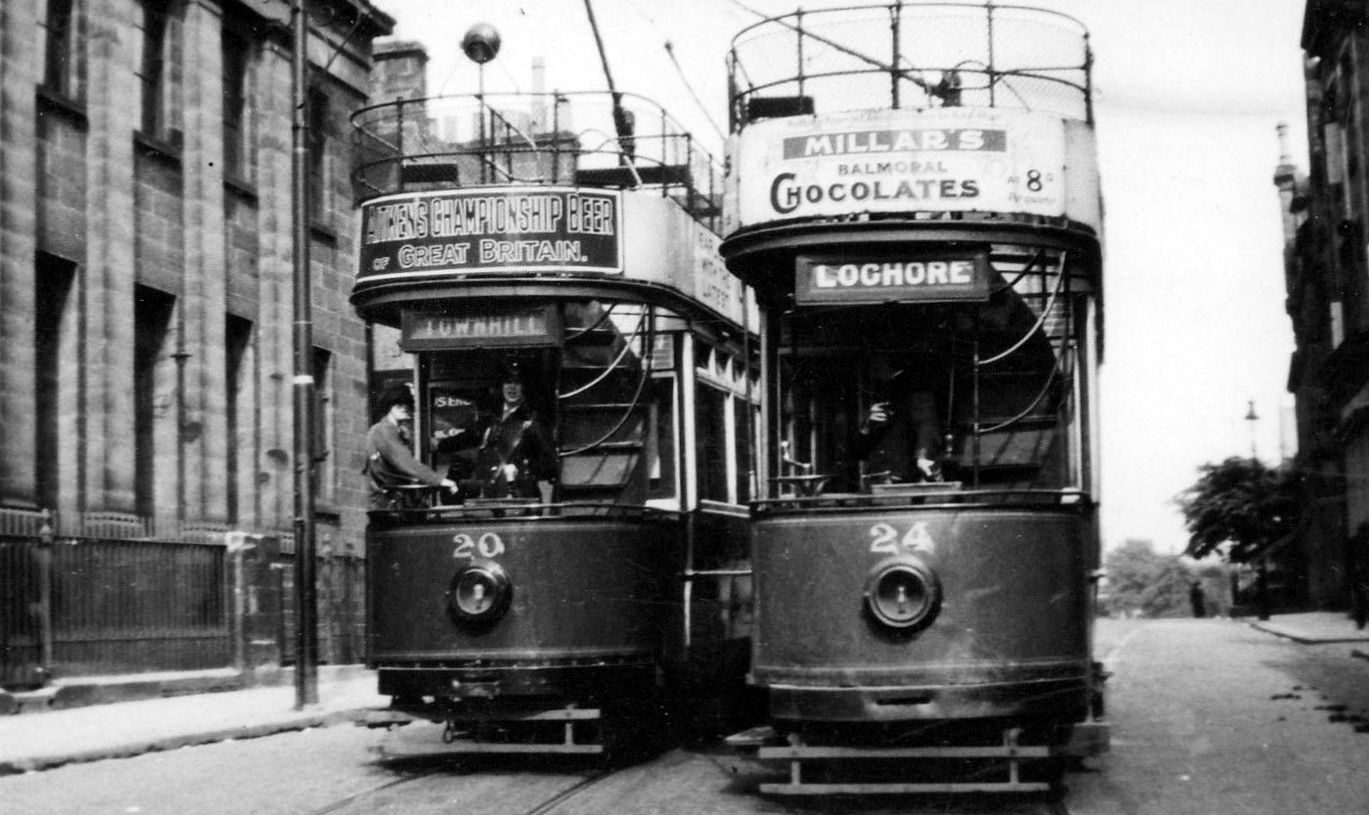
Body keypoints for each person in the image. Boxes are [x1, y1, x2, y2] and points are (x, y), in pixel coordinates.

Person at [363, 385, 457, 508]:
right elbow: (405, 462)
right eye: (398, 404)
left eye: (407, 404)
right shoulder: (383, 431)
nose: (404, 408)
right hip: (390, 505)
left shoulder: (399, 432)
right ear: (389, 406)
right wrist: (439, 480)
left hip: (397, 503)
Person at [474, 366, 556, 500]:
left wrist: (528, 470)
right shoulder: (490, 415)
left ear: (524, 387)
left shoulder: (534, 419)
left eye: (517, 383)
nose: (512, 387)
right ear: (501, 386)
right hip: (493, 491)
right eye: (508, 382)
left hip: (523, 490)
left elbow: (548, 458)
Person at [853, 362, 943, 485]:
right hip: (879, 479)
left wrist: (923, 455)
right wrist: (867, 426)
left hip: (901, 477)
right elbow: (859, 453)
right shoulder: (877, 397)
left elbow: (926, 423)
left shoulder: (914, 390)